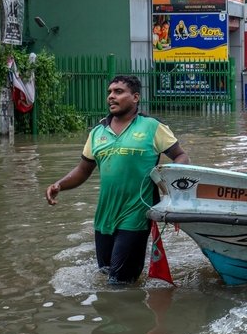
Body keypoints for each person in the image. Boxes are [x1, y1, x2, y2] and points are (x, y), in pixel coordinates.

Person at [45, 75, 189, 285]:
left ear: (135, 97)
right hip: (104, 216)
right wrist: (59, 184)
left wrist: (172, 189)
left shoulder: (152, 127)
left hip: (136, 214)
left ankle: (128, 315)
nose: (111, 96)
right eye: (109, 92)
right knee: (106, 274)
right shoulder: (97, 132)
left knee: (119, 283)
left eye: (118, 92)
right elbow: (83, 170)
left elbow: (181, 156)